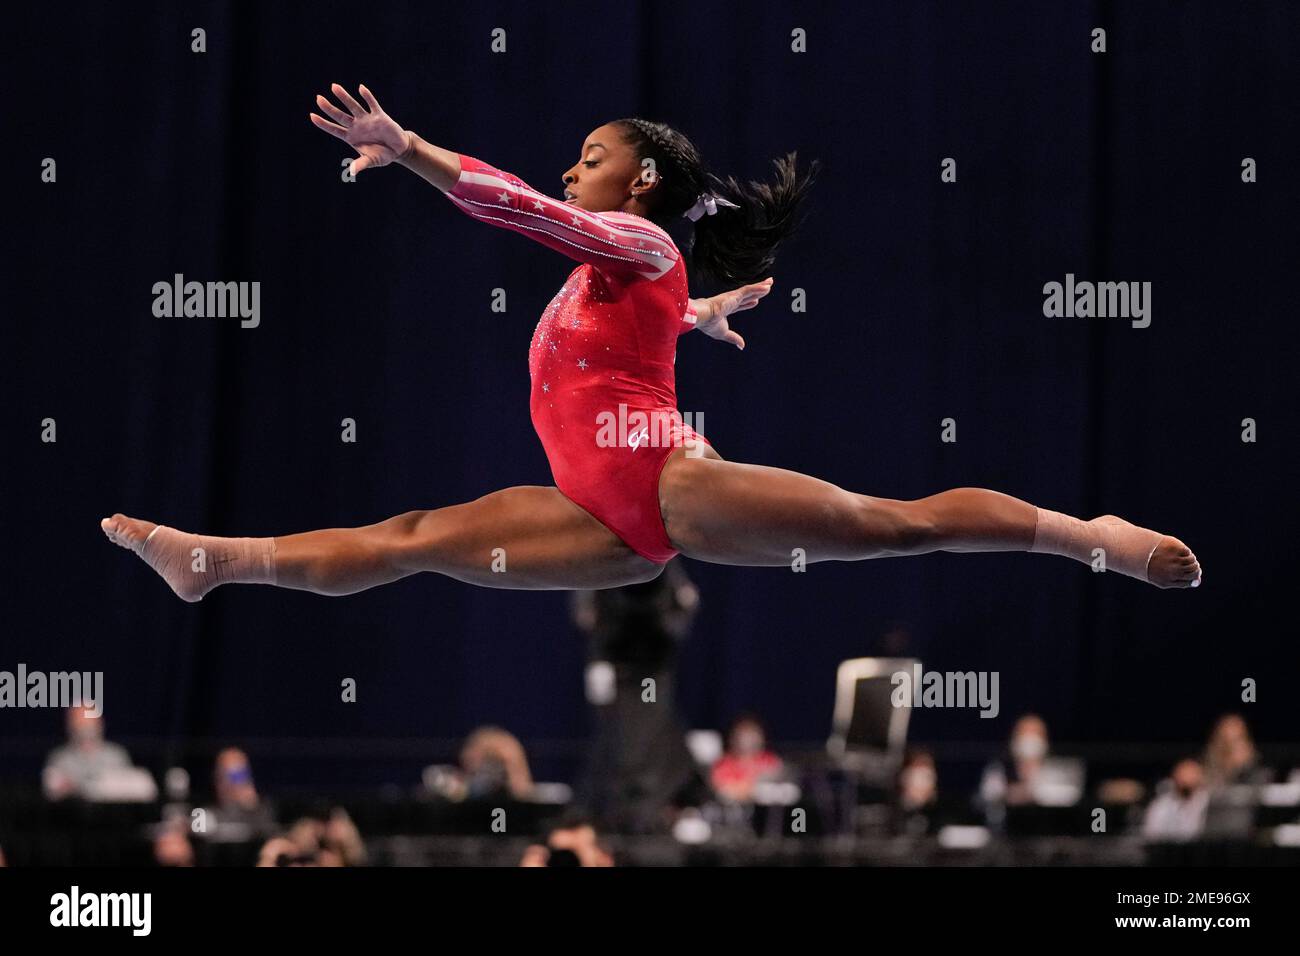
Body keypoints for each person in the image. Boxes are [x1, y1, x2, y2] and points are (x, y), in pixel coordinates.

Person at [102, 84, 1201, 600]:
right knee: (411, 536)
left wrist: (414, 147)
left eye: (590, 152)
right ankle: (214, 561)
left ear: (641, 179)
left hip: (662, 483)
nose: (573, 166)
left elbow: (528, 211)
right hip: (596, 512)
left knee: (889, 526)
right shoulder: (629, 270)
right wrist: (699, 314)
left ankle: (1079, 532)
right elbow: (627, 320)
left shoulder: (629, 234)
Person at [571, 559, 705, 833]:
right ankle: (602, 812)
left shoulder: (665, 567)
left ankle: (643, 811)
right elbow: (586, 614)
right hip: (615, 666)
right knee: (614, 739)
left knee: (648, 737)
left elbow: (687, 602)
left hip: (652, 668)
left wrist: (678, 613)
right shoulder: (604, 569)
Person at [43, 707, 134, 801]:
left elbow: (128, 790)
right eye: (79, 723)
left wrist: (78, 786)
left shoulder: (116, 756)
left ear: (100, 724)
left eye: (89, 723)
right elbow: (53, 791)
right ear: (70, 725)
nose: (85, 729)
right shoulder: (59, 759)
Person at [711, 713, 783, 802]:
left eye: (753, 735)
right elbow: (723, 791)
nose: (749, 741)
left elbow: (780, 785)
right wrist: (752, 789)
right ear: (733, 739)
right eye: (744, 736)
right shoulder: (724, 764)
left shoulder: (769, 760)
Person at [1141, 758, 1209, 842]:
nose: (1187, 779)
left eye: (1192, 774)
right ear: (1175, 776)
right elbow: (1151, 835)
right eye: (1183, 774)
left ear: (1200, 776)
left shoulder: (1208, 802)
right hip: (1168, 850)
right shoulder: (1161, 805)